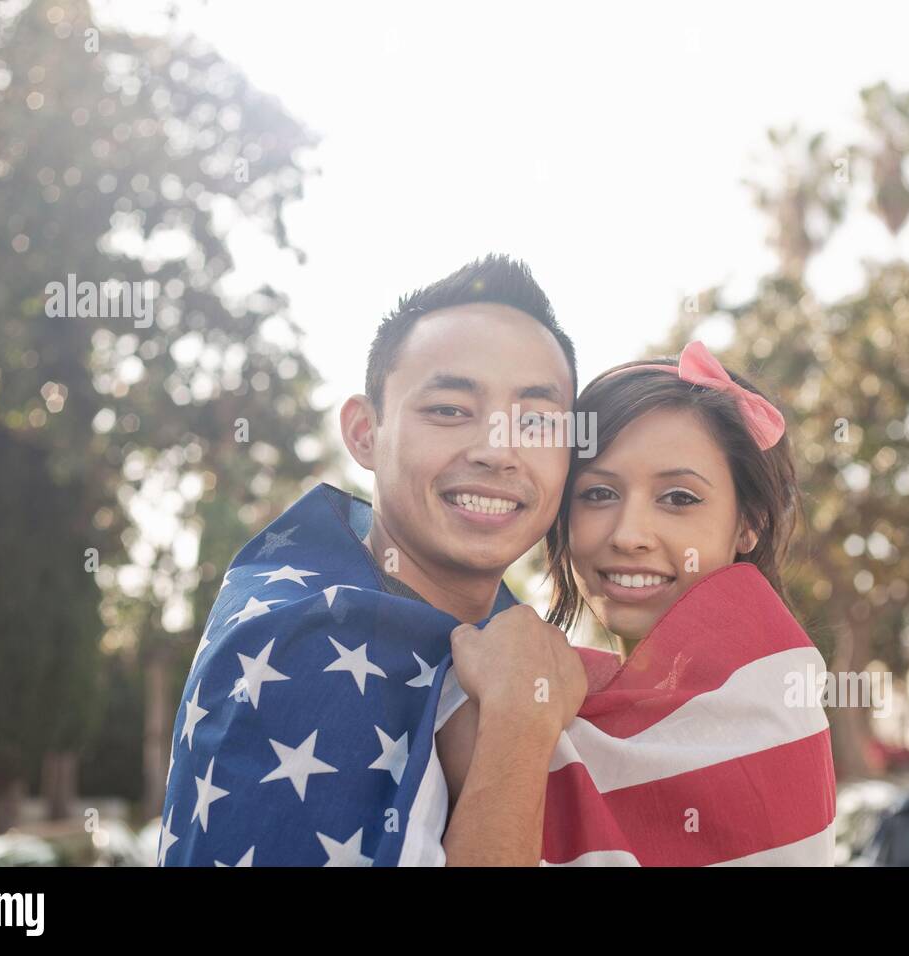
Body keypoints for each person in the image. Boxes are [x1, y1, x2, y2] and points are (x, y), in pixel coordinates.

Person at [159, 254, 586, 866]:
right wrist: (518, 729)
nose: (499, 451)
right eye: (449, 410)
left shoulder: (521, 651)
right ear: (364, 432)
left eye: (539, 421)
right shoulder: (298, 649)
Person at [536, 341, 837, 865]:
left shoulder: (767, 720)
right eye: (598, 494)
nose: (629, 535)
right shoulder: (539, 683)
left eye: (679, 498)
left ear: (749, 523)